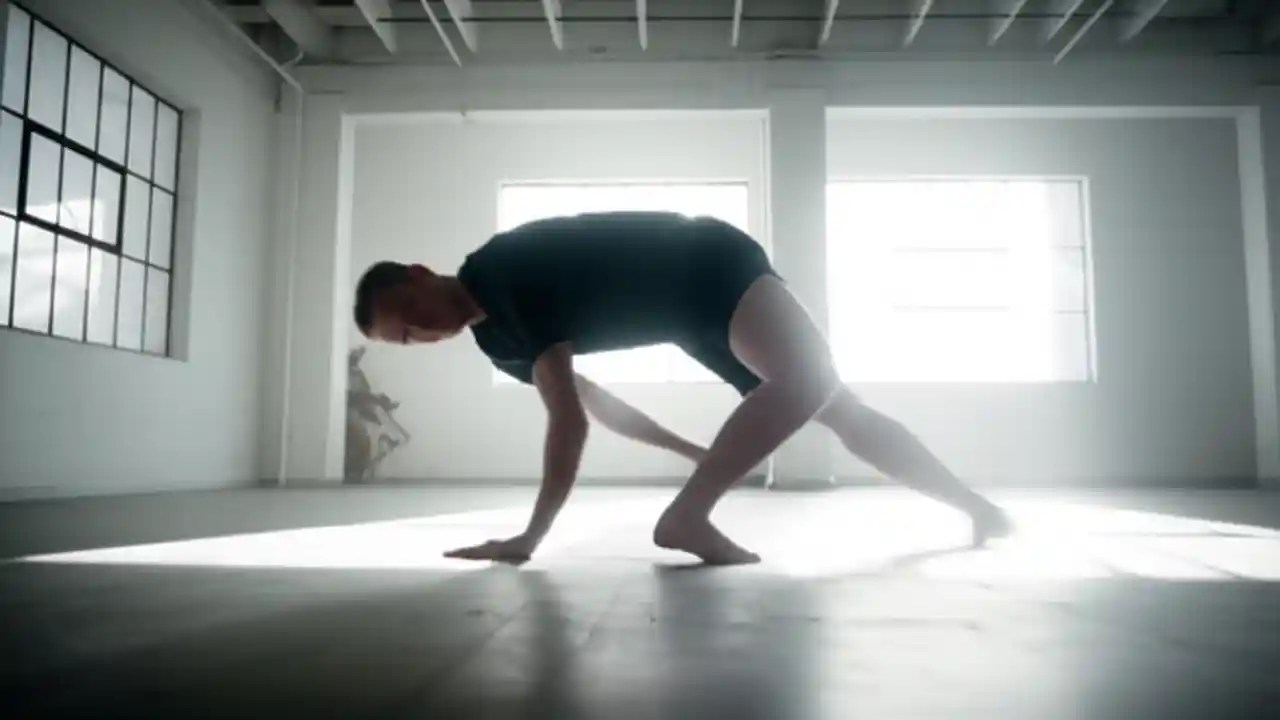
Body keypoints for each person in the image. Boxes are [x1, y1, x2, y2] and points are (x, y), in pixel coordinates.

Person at [352, 212, 1011, 565]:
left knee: (817, 385)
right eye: (405, 338)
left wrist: (529, 539)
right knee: (827, 398)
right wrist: (692, 451)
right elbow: (599, 409)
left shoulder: (496, 273)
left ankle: (689, 515)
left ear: (420, 272)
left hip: (704, 263)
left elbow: (568, 423)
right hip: (689, 320)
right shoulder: (497, 344)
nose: (420, 331)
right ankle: (978, 509)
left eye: (409, 311)